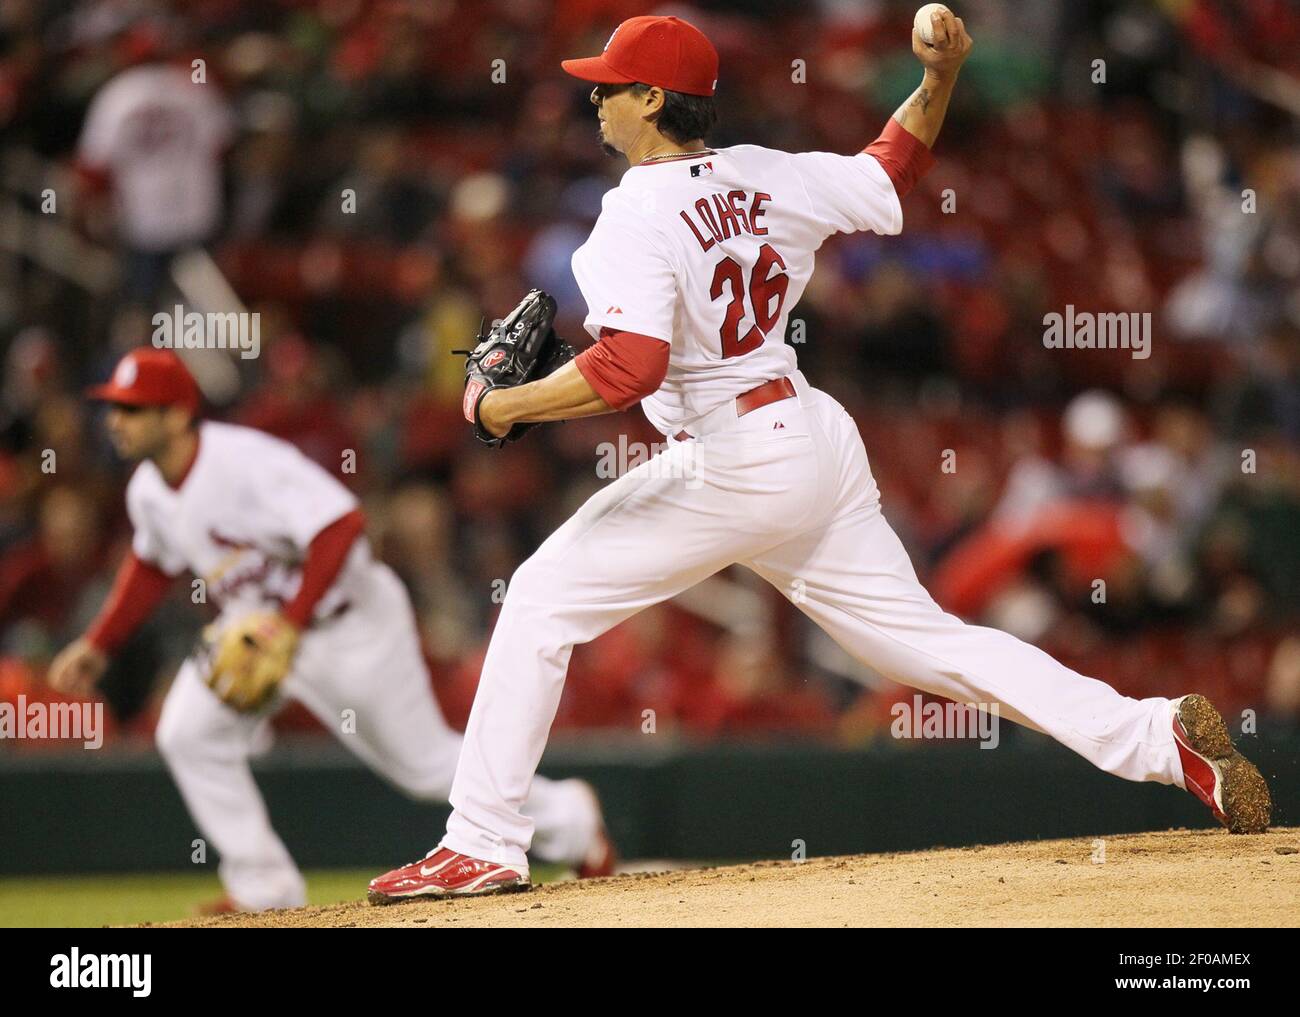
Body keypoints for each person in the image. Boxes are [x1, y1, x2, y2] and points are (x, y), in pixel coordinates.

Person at [367, 11, 1270, 903]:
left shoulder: (628, 215)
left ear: (651, 98)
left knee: (537, 597)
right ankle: (1157, 738)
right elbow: (892, 166)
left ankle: (482, 840)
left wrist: (500, 407)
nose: (594, 100)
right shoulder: (767, 173)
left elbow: (628, 367)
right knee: (931, 646)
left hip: (731, 456)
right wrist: (939, 77)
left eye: (608, 86)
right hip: (810, 437)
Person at [50, 347, 613, 912]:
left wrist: (289, 625)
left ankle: (571, 820)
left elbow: (342, 525)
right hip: (255, 632)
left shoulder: (244, 462)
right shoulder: (148, 491)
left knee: (426, 768)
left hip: (352, 626)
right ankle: (263, 886)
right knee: (187, 734)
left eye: (132, 409)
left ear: (175, 415)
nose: (115, 422)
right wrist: (100, 643)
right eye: (115, 409)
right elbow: (152, 564)